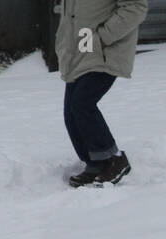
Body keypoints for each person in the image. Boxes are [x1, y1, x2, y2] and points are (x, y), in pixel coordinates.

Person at [56, 0, 150, 188]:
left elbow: (136, 7)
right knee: (72, 113)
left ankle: (114, 159)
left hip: (105, 50)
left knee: (81, 104)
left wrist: (102, 37)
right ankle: (96, 163)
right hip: (81, 50)